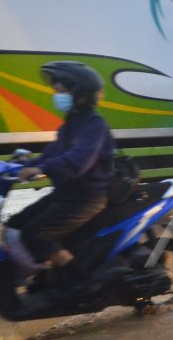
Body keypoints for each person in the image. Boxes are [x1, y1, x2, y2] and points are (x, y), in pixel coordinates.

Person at [8, 61, 116, 293]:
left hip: (88, 197)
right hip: (66, 194)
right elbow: (51, 154)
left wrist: (41, 170)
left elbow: (78, 161)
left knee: (36, 234)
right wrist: (23, 165)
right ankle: (46, 273)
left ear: (80, 94)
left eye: (61, 91)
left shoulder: (95, 125)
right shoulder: (70, 125)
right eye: (56, 90)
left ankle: (85, 282)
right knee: (14, 223)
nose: (57, 95)